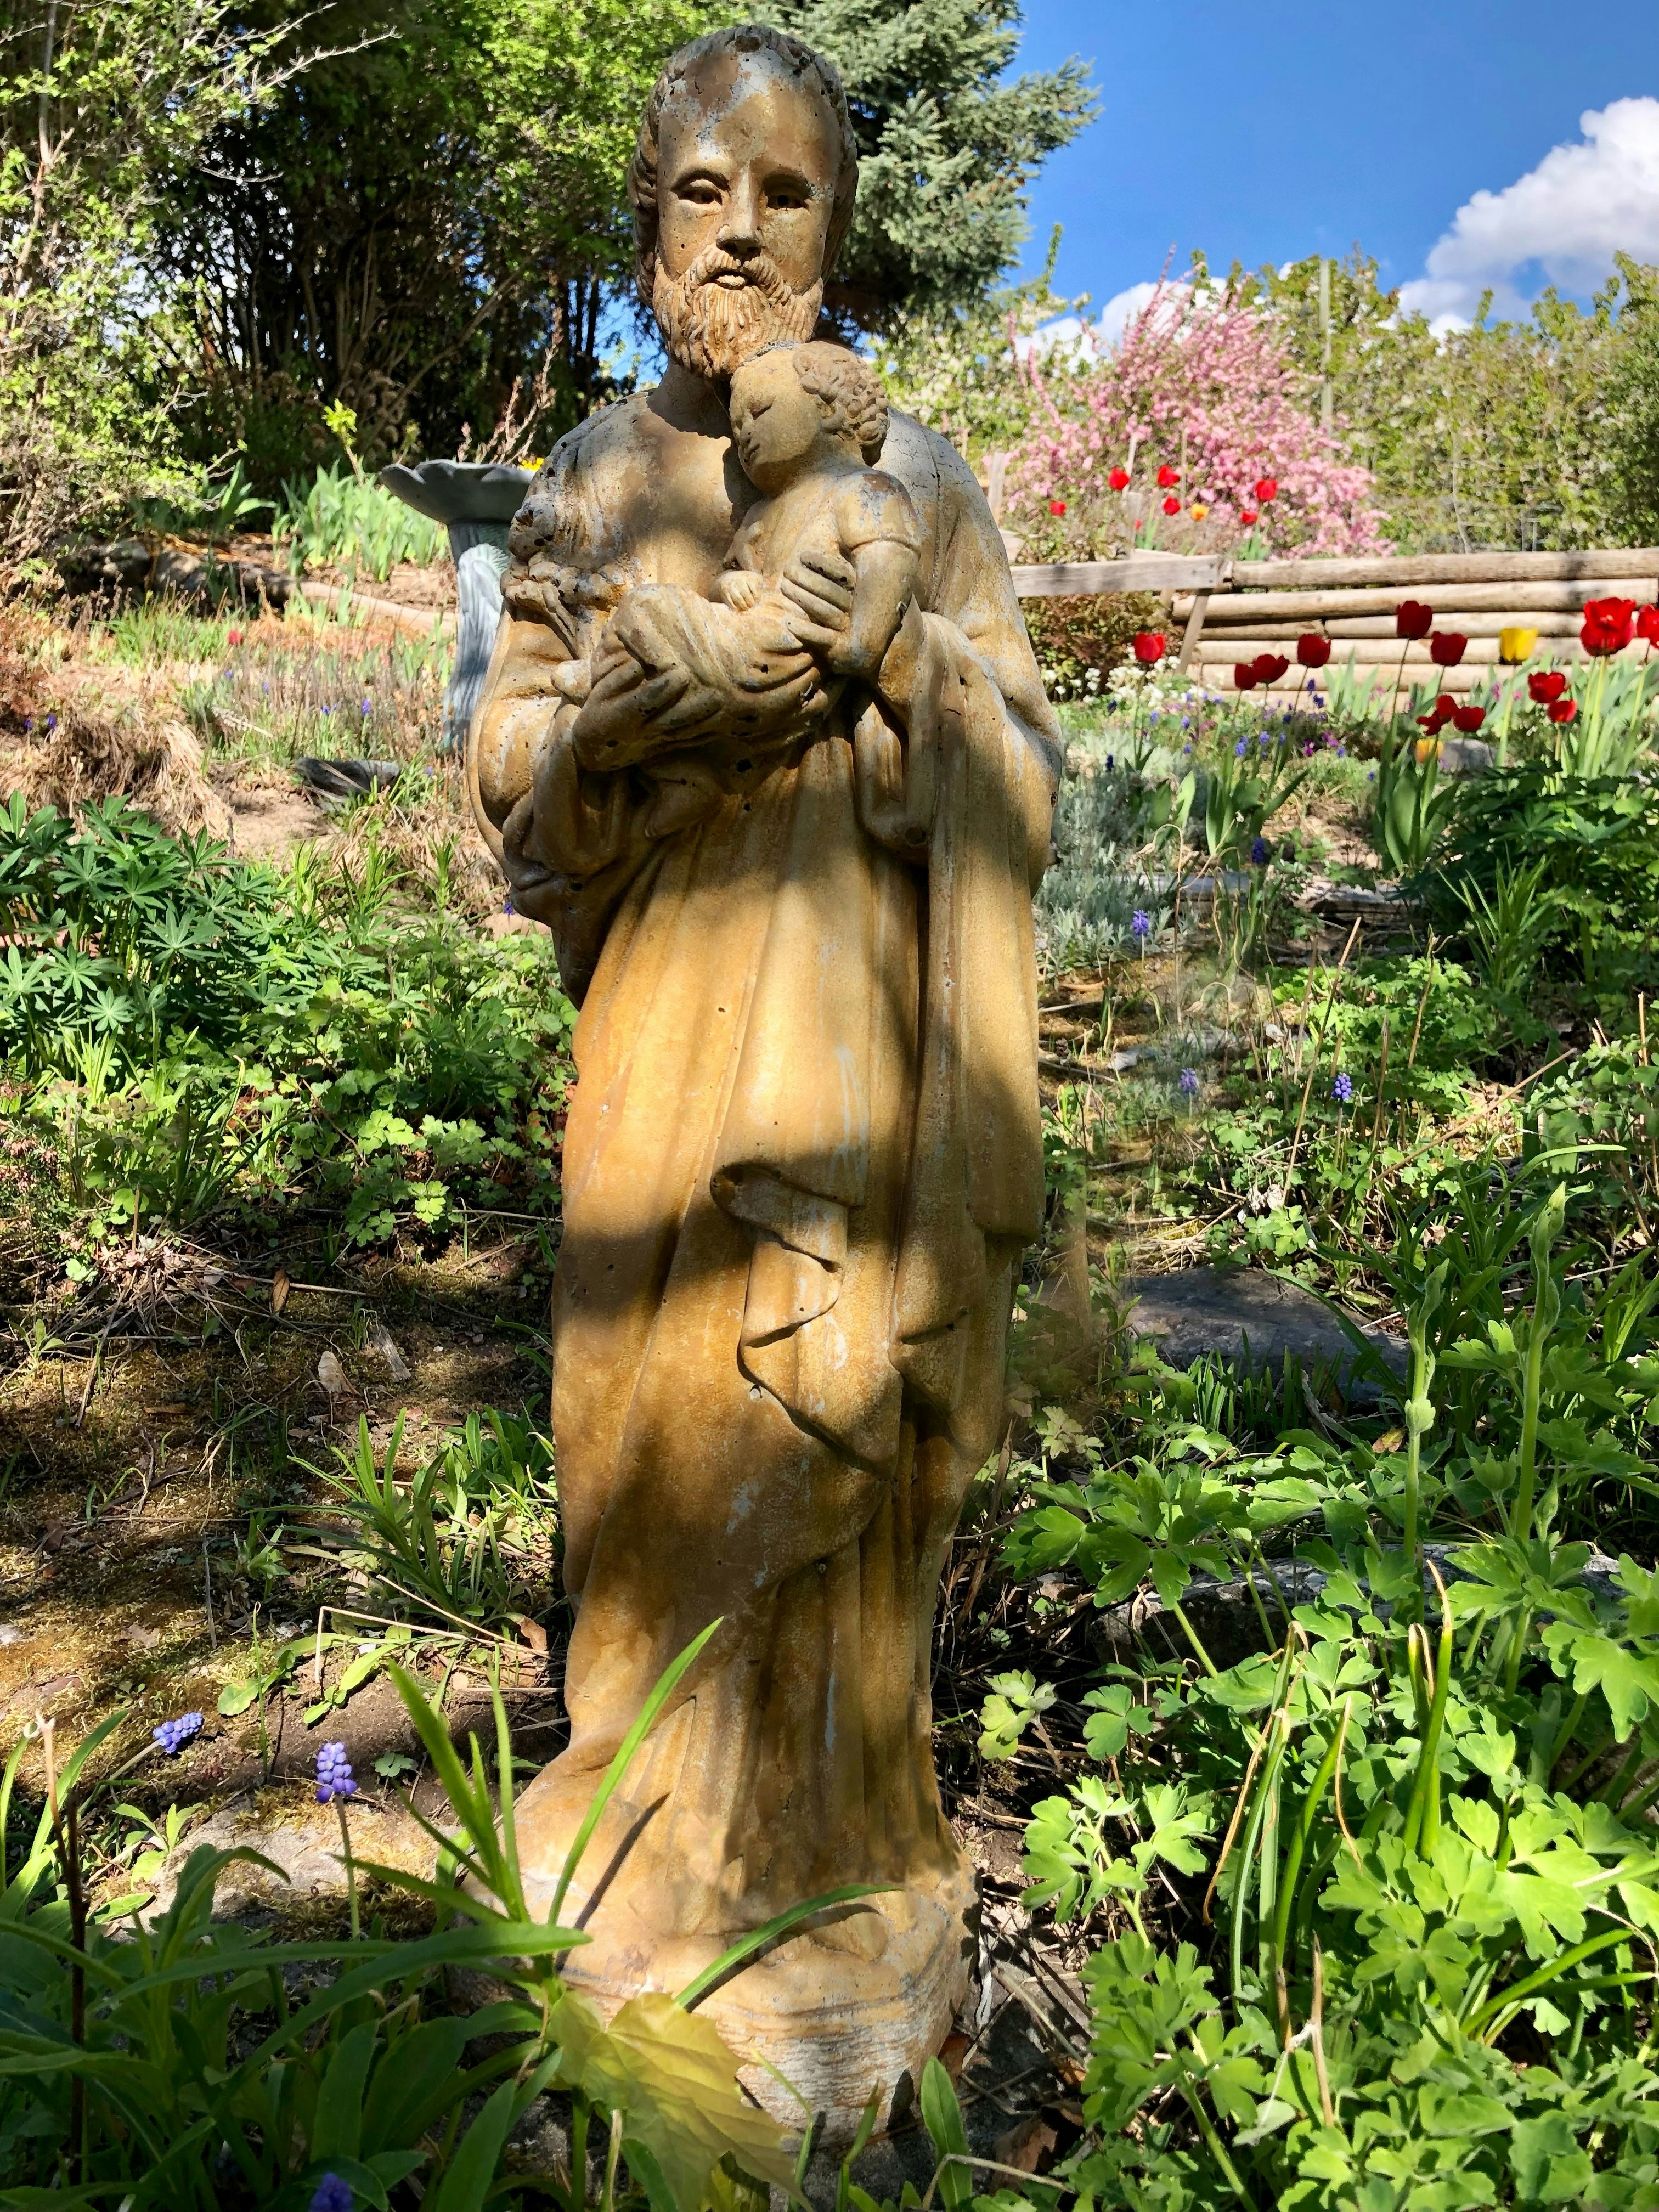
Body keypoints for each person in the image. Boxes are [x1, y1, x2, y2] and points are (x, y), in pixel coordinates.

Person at [469, 22, 1060, 2132]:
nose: (745, 234)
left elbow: (1024, 756)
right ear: (648, 222)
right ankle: (638, 1831)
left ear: (836, 228)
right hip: (664, 1035)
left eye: (786, 194)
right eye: (706, 191)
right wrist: (633, 725)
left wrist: (892, 667)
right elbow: (513, 772)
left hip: (866, 1057)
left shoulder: (922, 479)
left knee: (832, 1437)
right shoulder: (609, 473)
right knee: (659, 1419)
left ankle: (836, 1858)